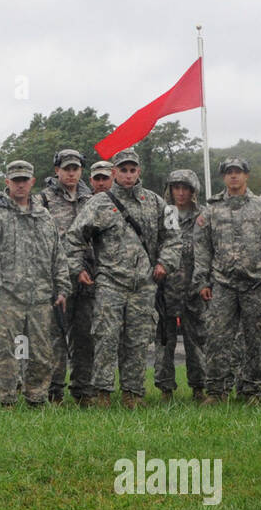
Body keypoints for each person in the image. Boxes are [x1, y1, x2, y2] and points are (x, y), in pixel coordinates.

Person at [66, 147, 179, 408]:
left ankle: (133, 394)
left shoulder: (156, 203)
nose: (128, 175)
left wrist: (165, 263)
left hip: (143, 284)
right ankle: (102, 393)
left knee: (138, 341)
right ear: (114, 172)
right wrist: (77, 268)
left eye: (132, 170)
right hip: (109, 283)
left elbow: (174, 238)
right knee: (105, 338)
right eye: (123, 170)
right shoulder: (98, 203)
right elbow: (74, 237)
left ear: (139, 171)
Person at [0, 160, 71, 408]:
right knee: (7, 352)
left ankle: (36, 398)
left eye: (24, 180)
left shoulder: (43, 215)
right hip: (7, 297)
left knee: (40, 352)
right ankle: (5, 400)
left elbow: (57, 254)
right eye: (15, 180)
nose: (20, 185)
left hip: (40, 297)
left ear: (32, 182)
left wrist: (62, 288)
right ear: (7, 182)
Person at [192, 157, 261, 404]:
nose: (234, 176)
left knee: (255, 339)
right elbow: (202, 248)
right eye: (229, 172)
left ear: (247, 175)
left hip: (256, 283)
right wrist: (202, 282)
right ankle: (217, 391)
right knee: (217, 339)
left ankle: (252, 391)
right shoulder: (211, 210)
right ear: (223, 177)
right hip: (222, 283)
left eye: (238, 172)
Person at [37, 149, 95, 404]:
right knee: (56, 336)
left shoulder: (91, 199)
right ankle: (54, 391)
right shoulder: (43, 200)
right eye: (66, 169)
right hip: (57, 277)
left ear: (81, 170)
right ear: (57, 170)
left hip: (89, 277)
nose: (71, 173)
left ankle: (82, 390)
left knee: (85, 335)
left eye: (75, 169)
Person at [155, 169, 206, 401]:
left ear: (193, 190)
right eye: (176, 188)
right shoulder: (166, 215)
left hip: (194, 287)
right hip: (167, 288)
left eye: (185, 188)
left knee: (196, 339)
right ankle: (166, 388)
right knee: (165, 340)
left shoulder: (203, 216)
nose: (181, 192)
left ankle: (199, 387)